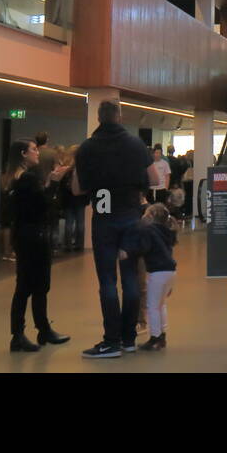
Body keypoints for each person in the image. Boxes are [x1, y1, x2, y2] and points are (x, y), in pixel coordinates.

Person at [73, 100, 151, 358]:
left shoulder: (87, 148)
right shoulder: (135, 144)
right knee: (130, 278)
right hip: (131, 215)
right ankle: (129, 337)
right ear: (119, 116)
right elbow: (156, 179)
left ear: (98, 117)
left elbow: (77, 189)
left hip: (104, 217)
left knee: (107, 280)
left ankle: (111, 341)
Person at [4, 138, 71, 352]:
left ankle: (19, 333)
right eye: (33, 150)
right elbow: (45, 206)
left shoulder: (12, 178)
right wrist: (53, 183)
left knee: (23, 286)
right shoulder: (29, 179)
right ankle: (42, 329)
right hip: (36, 235)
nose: (37, 153)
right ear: (24, 153)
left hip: (22, 235)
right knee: (40, 285)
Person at [120, 203, 177, 351]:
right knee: (161, 304)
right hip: (170, 271)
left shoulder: (148, 230)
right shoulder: (166, 231)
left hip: (157, 272)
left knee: (152, 306)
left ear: (150, 216)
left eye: (145, 214)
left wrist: (128, 252)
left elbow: (143, 247)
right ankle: (162, 335)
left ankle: (155, 338)